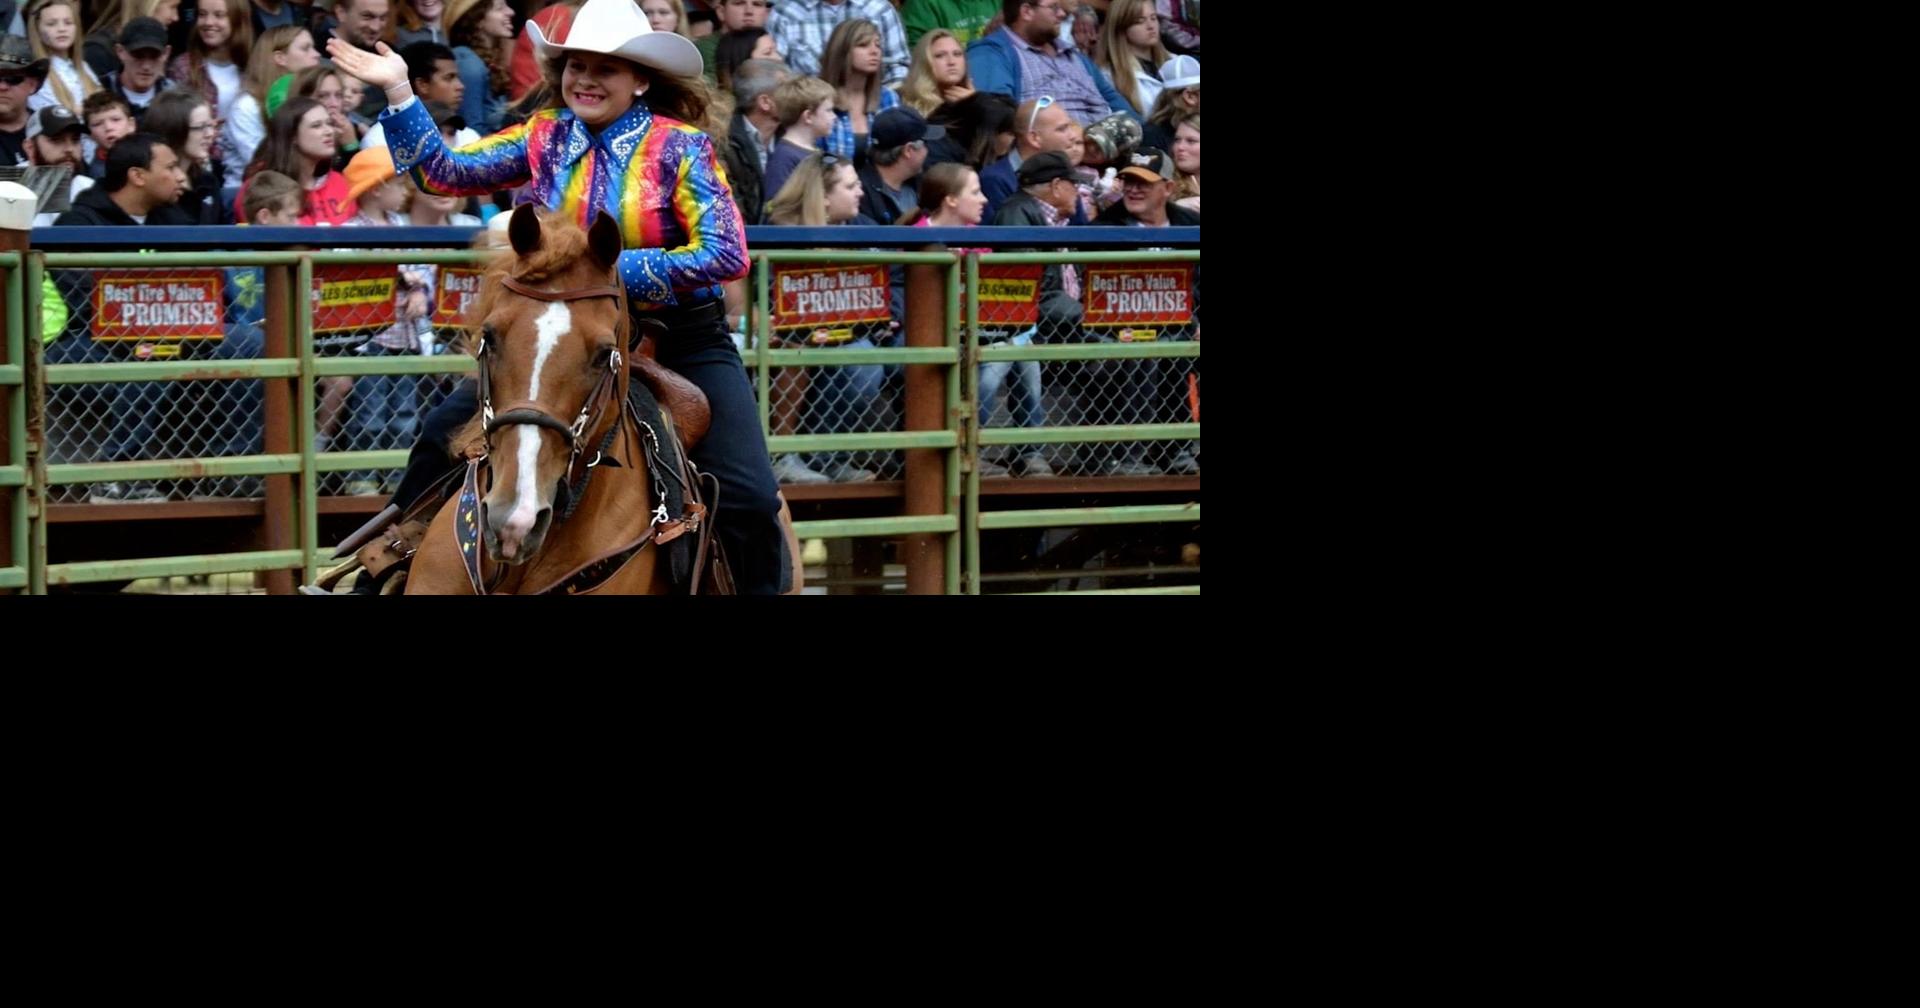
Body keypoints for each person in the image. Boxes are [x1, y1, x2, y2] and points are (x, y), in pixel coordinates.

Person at [326, 0, 791, 594]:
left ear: (641, 80)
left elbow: (726, 254)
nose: (586, 80)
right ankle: (389, 565)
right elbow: (444, 173)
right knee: (440, 433)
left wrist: (606, 274)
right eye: (576, 66)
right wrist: (398, 91)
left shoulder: (681, 146)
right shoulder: (544, 134)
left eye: (606, 68)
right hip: (560, 337)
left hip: (679, 337)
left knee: (750, 496)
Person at [966, 0, 1135, 125]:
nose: (1062, 14)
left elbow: (1115, 102)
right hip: (1052, 155)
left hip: (1112, 145)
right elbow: (999, 118)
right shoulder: (991, 53)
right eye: (1054, 7)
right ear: (1027, 11)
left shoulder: (1072, 54)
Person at [765, 0, 909, 88]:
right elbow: (773, 72)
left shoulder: (879, 9)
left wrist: (881, 102)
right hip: (806, 111)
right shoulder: (785, 13)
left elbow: (898, 66)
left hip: (871, 108)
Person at [98, 16, 177, 125]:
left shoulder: (175, 98)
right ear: (120, 51)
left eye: (154, 56)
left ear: (166, 54)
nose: (146, 66)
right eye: (138, 55)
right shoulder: (99, 92)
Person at [898, 26, 971, 116]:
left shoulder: (978, 101)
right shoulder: (902, 104)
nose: (951, 62)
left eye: (957, 54)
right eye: (940, 56)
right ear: (924, 61)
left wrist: (977, 103)